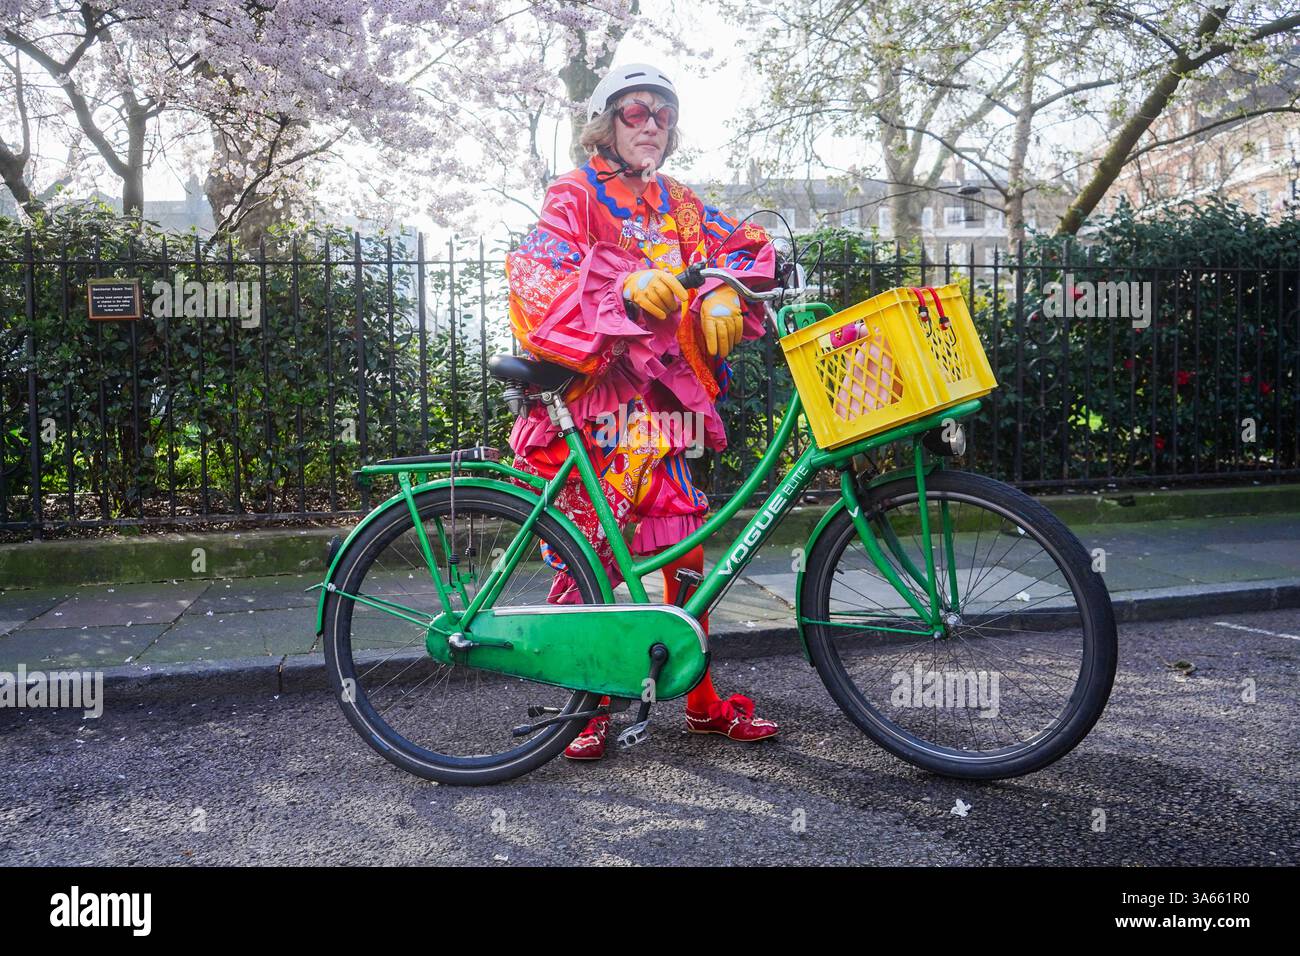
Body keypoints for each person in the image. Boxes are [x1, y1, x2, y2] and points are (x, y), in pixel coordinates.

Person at [504, 62, 779, 760]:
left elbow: (744, 250)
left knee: (688, 548)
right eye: (635, 110)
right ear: (606, 122)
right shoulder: (574, 194)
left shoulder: (682, 203)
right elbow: (539, 272)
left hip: (667, 409)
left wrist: (726, 291)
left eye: (662, 112)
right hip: (598, 402)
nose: (650, 122)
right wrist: (625, 289)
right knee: (590, 550)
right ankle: (584, 704)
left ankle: (704, 701)